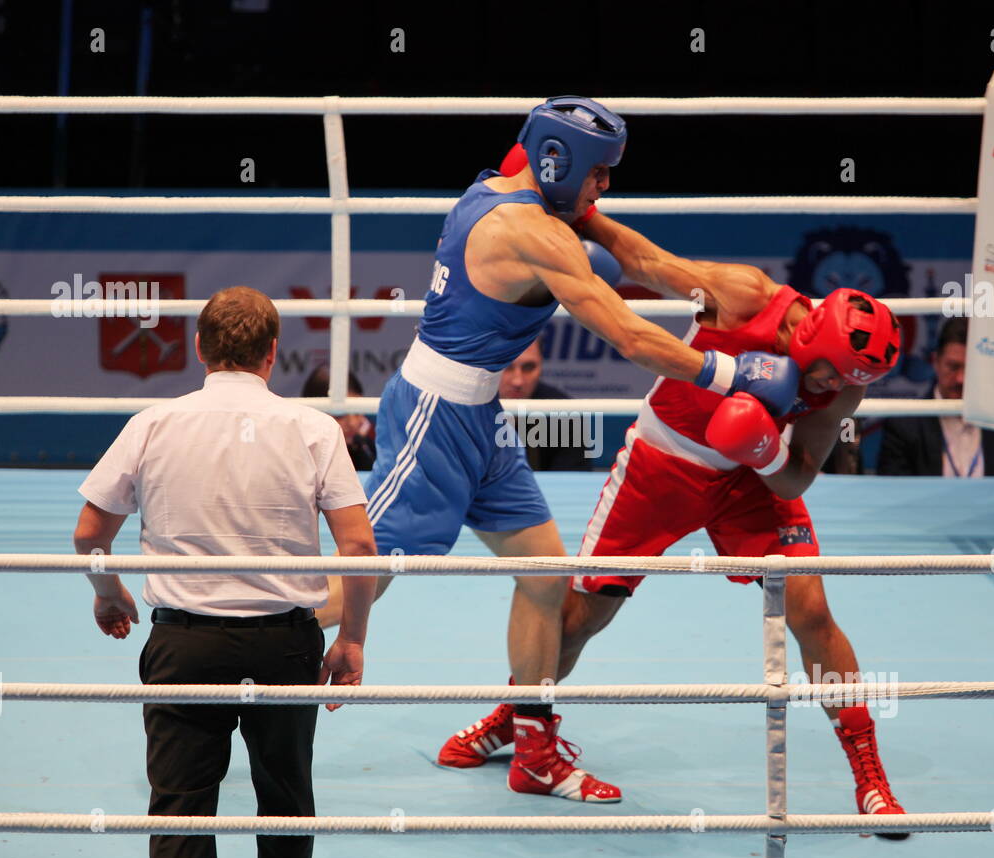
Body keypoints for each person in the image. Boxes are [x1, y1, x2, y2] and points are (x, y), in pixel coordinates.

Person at [316, 95, 789, 803]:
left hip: (481, 418)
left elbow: (642, 257)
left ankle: (535, 751)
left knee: (543, 575)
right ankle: (227, 632)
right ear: (559, 162)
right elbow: (629, 337)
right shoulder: (533, 234)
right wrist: (730, 373)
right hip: (433, 419)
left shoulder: (513, 182)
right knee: (366, 578)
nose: (606, 188)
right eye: (600, 173)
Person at [442, 214, 913, 834]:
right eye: (826, 373)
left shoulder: (843, 389)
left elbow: (797, 476)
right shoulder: (746, 296)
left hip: (751, 480)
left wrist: (765, 450)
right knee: (586, 614)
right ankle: (517, 714)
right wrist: (580, 214)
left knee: (812, 613)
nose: (827, 388)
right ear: (812, 337)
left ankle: (870, 778)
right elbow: (645, 263)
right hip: (662, 466)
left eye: (844, 384)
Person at [73, 286, 377, 858]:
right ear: (272, 354)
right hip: (284, 646)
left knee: (180, 811)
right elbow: (359, 544)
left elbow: (89, 535)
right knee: (286, 807)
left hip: (184, 645)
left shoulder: (152, 425)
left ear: (198, 349)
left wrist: (109, 595)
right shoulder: (314, 429)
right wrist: (352, 639)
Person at [876, 316, 994, 477]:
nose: (961, 378)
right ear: (935, 361)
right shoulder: (904, 425)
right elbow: (893, 494)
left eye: (971, 368)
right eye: (953, 367)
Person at [499, 335, 593, 470]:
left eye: (528, 367)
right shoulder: (467, 411)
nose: (517, 381)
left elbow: (572, 482)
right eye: (507, 366)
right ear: (491, 364)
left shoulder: (565, 414)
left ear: (541, 365)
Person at [302, 366, 377, 470]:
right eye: (339, 415)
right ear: (312, 412)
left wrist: (357, 448)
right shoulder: (298, 453)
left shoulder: (366, 445)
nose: (352, 423)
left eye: (357, 412)